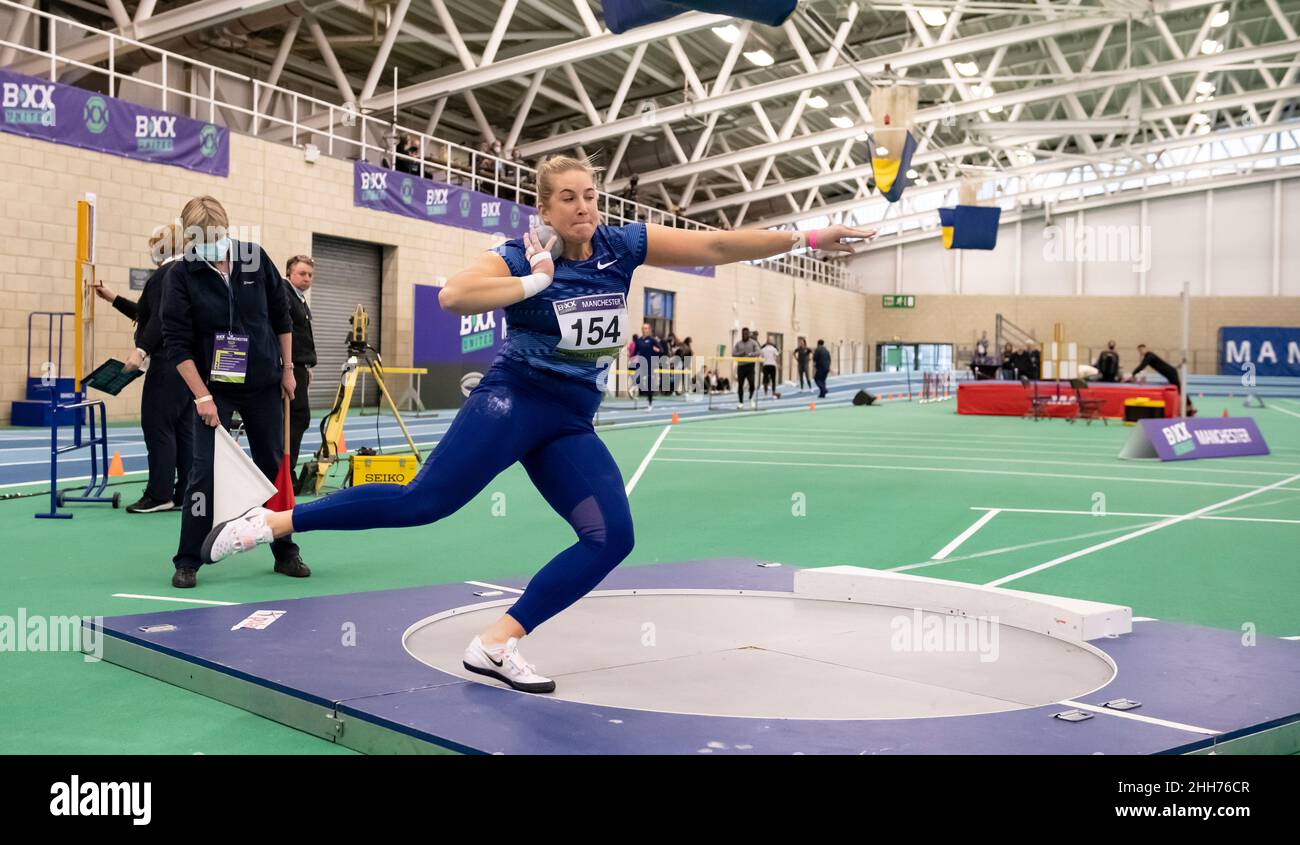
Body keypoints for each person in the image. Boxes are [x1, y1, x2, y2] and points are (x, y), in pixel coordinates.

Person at [199, 155, 875, 693]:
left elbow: (719, 242)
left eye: (591, 193)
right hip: (512, 400)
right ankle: (272, 522)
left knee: (611, 536)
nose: (586, 205)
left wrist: (813, 235)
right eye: (570, 197)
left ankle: (497, 642)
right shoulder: (523, 251)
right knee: (422, 502)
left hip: (569, 419)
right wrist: (533, 281)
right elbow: (455, 293)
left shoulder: (621, 244)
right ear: (546, 207)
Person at [161, 195, 311, 589]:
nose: (212, 244)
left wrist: (288, 369)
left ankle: (285, 550)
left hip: (263, 382)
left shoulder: (255, 258)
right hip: (213, 388)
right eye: (203, 239)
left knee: (274, 465)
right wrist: (201, 396)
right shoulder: (181, 275)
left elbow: (282, 316)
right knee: (202, 472)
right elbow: (177, 343)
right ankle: (188, 558)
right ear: (190, 238)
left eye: (218, 236)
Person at [93, 224, 192, 513]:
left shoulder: (165, 275)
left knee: (158, 426)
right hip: (187, 365)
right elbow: (147, 315)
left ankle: (159, 494)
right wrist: (114, 299)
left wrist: (141, 350)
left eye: (155, 243)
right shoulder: (183, 275)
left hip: (167, 362)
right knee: (183, 428)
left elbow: (160, 319)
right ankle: (184, 491)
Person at [283, 255, 317, 480]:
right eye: (302, 274)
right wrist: (289, 366)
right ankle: (285, 472)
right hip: (290, 367)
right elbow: (283, 332)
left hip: (299, 366)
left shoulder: (300, 299)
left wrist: (306, 365)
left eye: (310, 275)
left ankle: (285, 470)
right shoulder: (285, 296)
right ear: (289, 273)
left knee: (297, 418)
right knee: (297, 417)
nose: (307, 279)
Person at [1131, 344, 1196, 416]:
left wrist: (1133, 373)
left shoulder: (1149, 355)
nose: (1141, 351)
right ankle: (1189, 407)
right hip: (1170, 373)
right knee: (1179, 390)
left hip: (1171, 373)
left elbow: (1142, 366)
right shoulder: (1149, 356)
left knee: (1179, 390)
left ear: (1146, 348)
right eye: (1139, 350)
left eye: (1141, 349)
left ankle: (1190, 407)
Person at [630, 324, 663, 410]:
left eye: (647, 328)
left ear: (649, 330)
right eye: (644, 328)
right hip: (641, 364)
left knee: (649, 384)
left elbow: (661, 351)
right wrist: (632, 359)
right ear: (642, 330)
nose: (645, 330)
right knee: (636, 377)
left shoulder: (652, 340)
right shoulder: (639, 341)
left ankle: (650, 403)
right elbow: (634, 353)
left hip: (650, 364)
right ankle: (634, 389)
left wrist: (656, 351)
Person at [732, 327, 759, 409]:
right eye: (743, 334)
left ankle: (751, 398)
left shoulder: (753, 343)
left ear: (749, 334)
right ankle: (741, 402)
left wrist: (751, 354)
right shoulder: (738, 344)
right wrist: (740, 353)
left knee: (752, 383)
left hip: (750, 366)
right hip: (741, 366)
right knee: (740, 385)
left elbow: (758, 352)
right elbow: (733, 353)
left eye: (746, 334)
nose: (745, 335)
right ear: (742, 334)